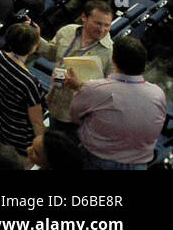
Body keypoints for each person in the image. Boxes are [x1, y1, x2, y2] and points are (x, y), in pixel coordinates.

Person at [69, 36, 168, 170]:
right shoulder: (158, 93)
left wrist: (80, 89)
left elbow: (74, 116)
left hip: (96, 161)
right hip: (138, 165)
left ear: (114, 60)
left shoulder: (96, 89)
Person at [31, 1, 114, 129]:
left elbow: (110, 90)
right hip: (55, 100)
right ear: (84, 18)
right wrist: (36, 38)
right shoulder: (67, 31)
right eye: (98, 23)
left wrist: (80, 85)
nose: (102, 29)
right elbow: (52, 53)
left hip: (78, 115)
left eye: (107, 25)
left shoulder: (110, 52)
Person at [0, 23, 48, 158]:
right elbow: (36, 122)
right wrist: (42, 148)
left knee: (0, 160)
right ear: (32, 48)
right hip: (19, 138)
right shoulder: (30, 82)